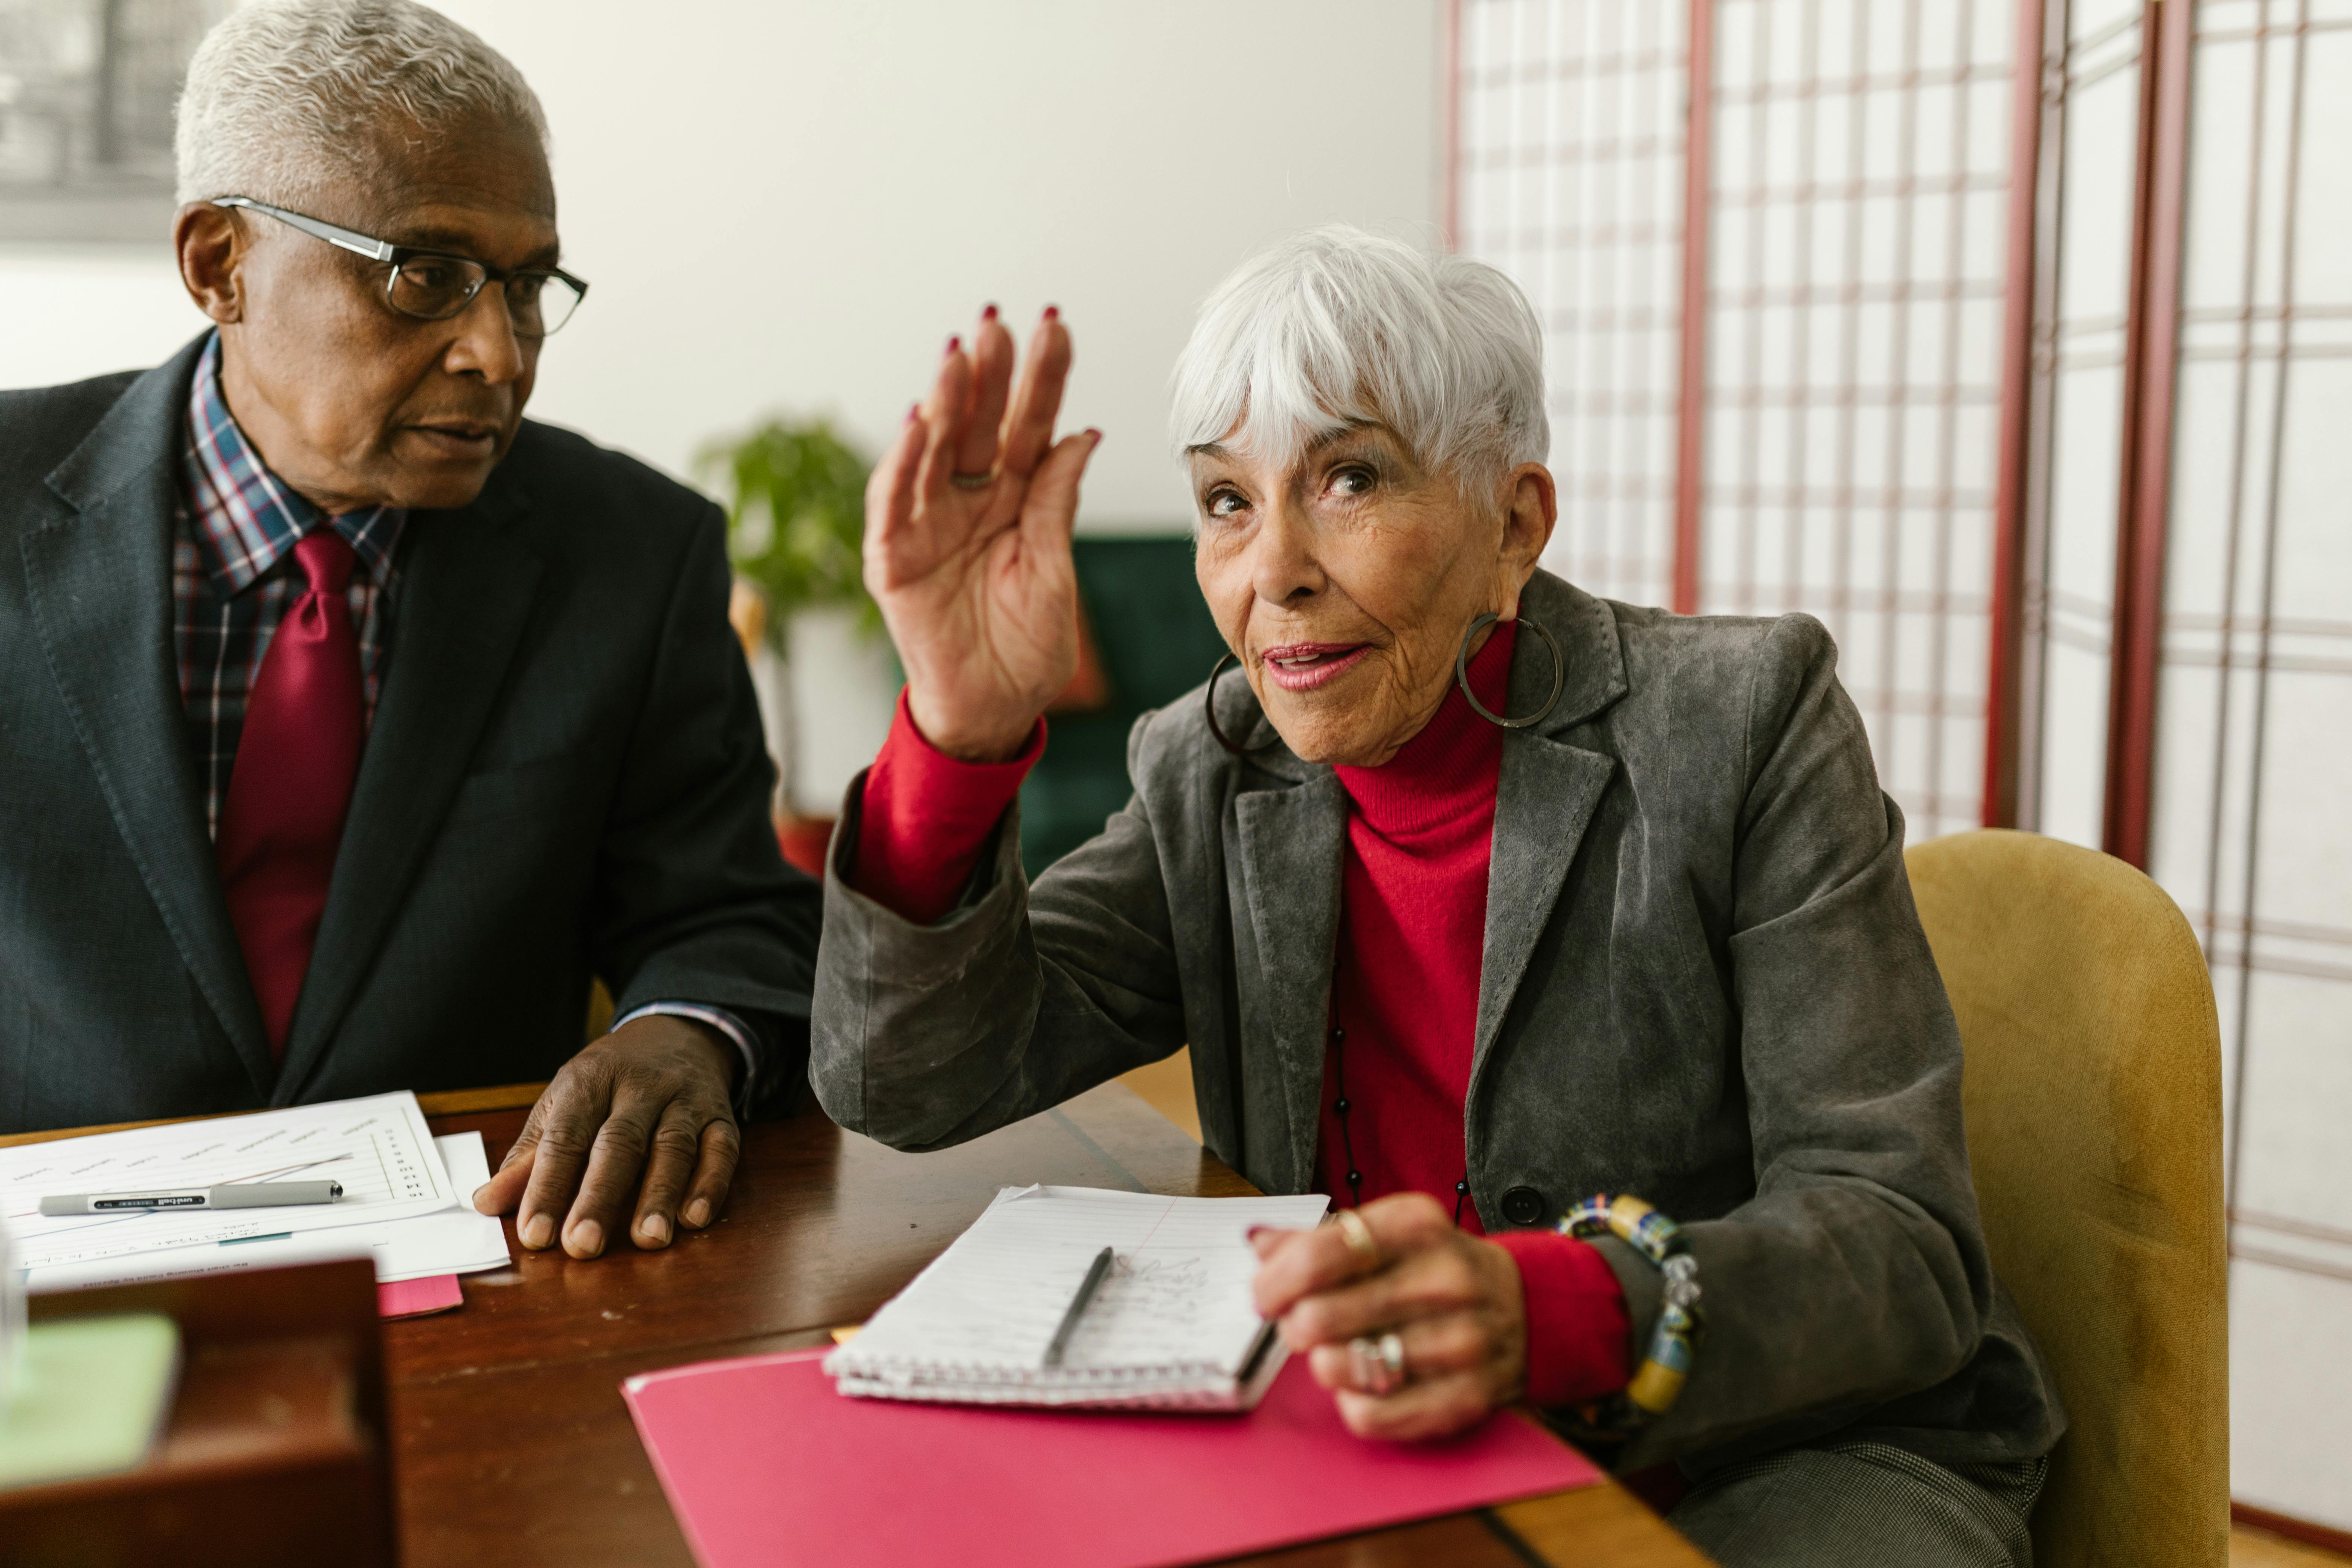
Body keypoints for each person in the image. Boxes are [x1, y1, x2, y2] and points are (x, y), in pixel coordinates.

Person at [807, 228, 2063, 1565]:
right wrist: (956, 733)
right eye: (1228, 500)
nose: (1272, 568)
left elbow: (1905, 1247)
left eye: (1349, 477)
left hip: (1784, 1442)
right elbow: (907, 1084)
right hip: (1387, 1443)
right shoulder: (1210, 766)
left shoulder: (1748, 721)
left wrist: (1563, 1311)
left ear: (1513, 523)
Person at [0, 0, 818, 1263]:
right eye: (423, 276)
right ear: (220, 261)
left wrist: (686, 1032)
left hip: (496, 1257)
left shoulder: (633, 553)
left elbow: (725, 912)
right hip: (49, 1280)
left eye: (527, 286)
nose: (497, 352)